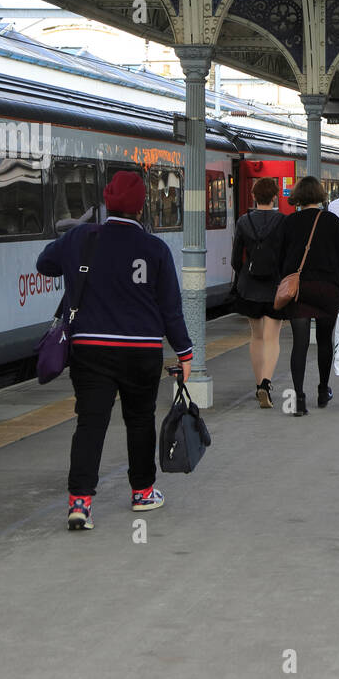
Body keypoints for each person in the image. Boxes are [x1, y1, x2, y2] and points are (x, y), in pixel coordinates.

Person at [36, 170, 192, 532]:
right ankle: (142, 492)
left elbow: (44, 264)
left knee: (90, 423)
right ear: (142, 208)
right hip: (141, 352)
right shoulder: (155, 249)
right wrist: (185, 353)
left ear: (107, 202)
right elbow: (171, 309)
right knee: (139, 420)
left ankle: (80, 503)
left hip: (90, 349)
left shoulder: (81, 238)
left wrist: (75, 239)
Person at [279, 176, 339, 416]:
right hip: (327, 289)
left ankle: (298, 399)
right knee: (324, 341)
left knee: (299, 344)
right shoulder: (332, 221)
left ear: (299, 195)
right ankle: (323, 391)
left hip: (300, 290)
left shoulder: (289, 222)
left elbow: (281, 258)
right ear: (320, 195)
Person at [230, 176, 285, 407]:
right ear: (275, 197)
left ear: (253, 197)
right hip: (275, 287)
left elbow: (235, 259)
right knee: (273, 337)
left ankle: (257, 384)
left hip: (250, 287)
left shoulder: (243, 222)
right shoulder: (283, 221)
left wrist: (246, 273)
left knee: (257, 337)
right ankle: (266, 383)